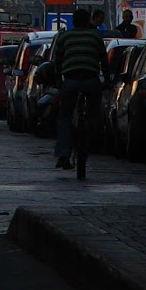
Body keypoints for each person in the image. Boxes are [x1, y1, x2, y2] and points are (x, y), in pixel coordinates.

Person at [51, 9, 109, 170]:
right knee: (94, 111)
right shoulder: (95, 36)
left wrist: (57, 80)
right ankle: (92, 134)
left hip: (71, 80)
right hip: (91, 79)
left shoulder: (65, 36)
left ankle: (63, 155)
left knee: (64, 117)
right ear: (88, 21)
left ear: (73, 22)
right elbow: (103, 60)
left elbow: (58, 60)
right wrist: (108, 81)